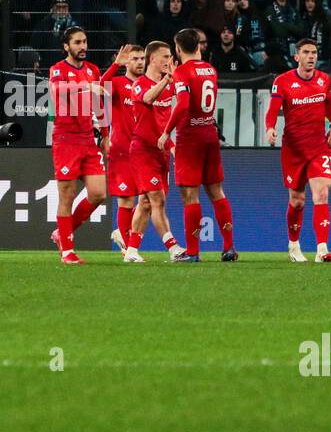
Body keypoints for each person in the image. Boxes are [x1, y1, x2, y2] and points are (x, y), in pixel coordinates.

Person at [158, 28, 237, 261]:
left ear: (178, 48)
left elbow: (182, 104)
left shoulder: (183, 72)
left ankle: (192, 252)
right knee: (216, 192)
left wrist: (165, 132)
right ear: (198, 47)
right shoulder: (210, 69)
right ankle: (229, 248)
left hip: (189, 138)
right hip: (209, 134)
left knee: (190, 196)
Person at [265, 38, 331, 263]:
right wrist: (270, 128)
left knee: (322, 193)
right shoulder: (283, 81)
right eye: (306, 52)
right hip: (294, 149)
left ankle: (322, 249)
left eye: (314, 52)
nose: (311, 56)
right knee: (297, 200)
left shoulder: (324, 79)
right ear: (297, 56)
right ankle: (294, 245)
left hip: (319, 147)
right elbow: (273, 109)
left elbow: (328, 105)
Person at [47, 27, 107, 264]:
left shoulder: (93, 70)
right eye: (77, 42)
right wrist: (85, 86)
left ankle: (61, 233)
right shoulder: (58, 69)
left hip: (87, 139)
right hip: (66, 139)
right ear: (66, 46)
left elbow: (100, 104)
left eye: (85, 41)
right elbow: (56, 91)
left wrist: (106, 134)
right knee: (67, 195)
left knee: (98, 192)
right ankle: (68, 252)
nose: (83, 46)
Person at [125, 40, 186, 261]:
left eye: (170, 57)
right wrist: (169, 79)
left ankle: (131, 251)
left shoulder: (169, 84)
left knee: (146, 203)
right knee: (157, 200)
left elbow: (172, 114)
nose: (169, 61)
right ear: (153, 59)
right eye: (165, 57)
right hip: (142, 151)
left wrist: (172, 147)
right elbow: (149, 98)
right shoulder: (139, 84)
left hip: (161, 151)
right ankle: (173, 248)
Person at [100, 43, 146, 255]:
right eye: (135, 58)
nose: (139, 62)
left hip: (146, 150)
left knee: (153, 198)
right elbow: (101, 85)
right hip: (122, 149)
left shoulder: (148, 84)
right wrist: (115, 65)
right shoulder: (118, 83)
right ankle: (129, 247)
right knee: (126, 199)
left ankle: (123, 233)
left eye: (142, 58)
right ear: (127, 61)